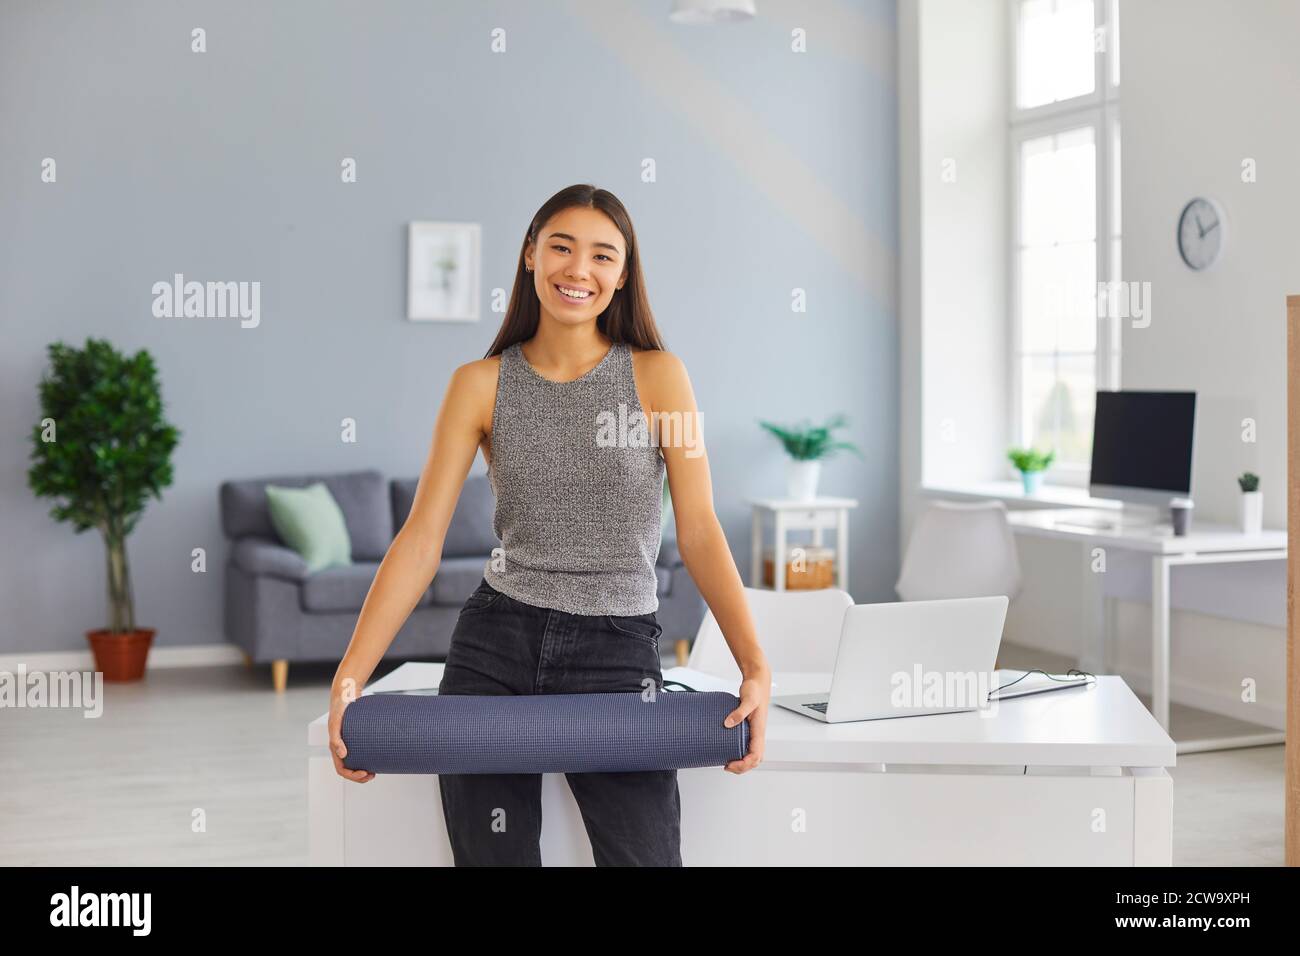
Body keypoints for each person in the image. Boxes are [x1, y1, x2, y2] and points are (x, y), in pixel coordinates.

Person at [328, 183, 770, 866]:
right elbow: (420, 540)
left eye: (602, 256)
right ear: (531, 253)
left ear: (622, 276)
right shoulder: (478, 384)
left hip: (618, 649)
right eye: (561, 247)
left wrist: (755, 665)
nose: (578, 270)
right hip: (495, 644)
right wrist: (351, 677)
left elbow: (701, 530)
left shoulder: (659, 378)